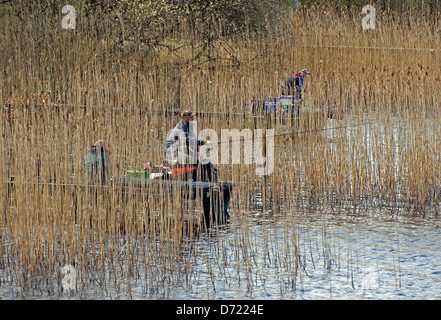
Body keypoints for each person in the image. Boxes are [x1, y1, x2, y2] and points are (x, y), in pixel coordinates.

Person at [165, 110, 215, 182]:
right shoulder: (181, 127)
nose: (193, 119)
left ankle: (207, 183)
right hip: (172, 153)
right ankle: (208, 183)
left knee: (204, 161)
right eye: (191, 117)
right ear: (185, 118)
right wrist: (204, 141)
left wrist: (198, 152)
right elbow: (187, 140)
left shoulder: (188, 127)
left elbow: (193, 141)